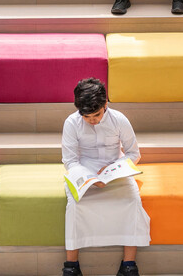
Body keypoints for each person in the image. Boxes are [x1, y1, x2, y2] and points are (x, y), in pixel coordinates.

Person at [60, 78, 149, 276]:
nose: (92, 120)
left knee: (133, 201)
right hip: (84, 172)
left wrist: (113, 170)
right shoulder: (71, 123)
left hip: (116, 170)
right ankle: (71, 266)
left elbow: (133, 154)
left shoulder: (119, 119)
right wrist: (89, 178)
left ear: (105, 104)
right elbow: (70, 161)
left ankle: (129, 265)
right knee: (74, 206)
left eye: (97, 115)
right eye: (87, 116)